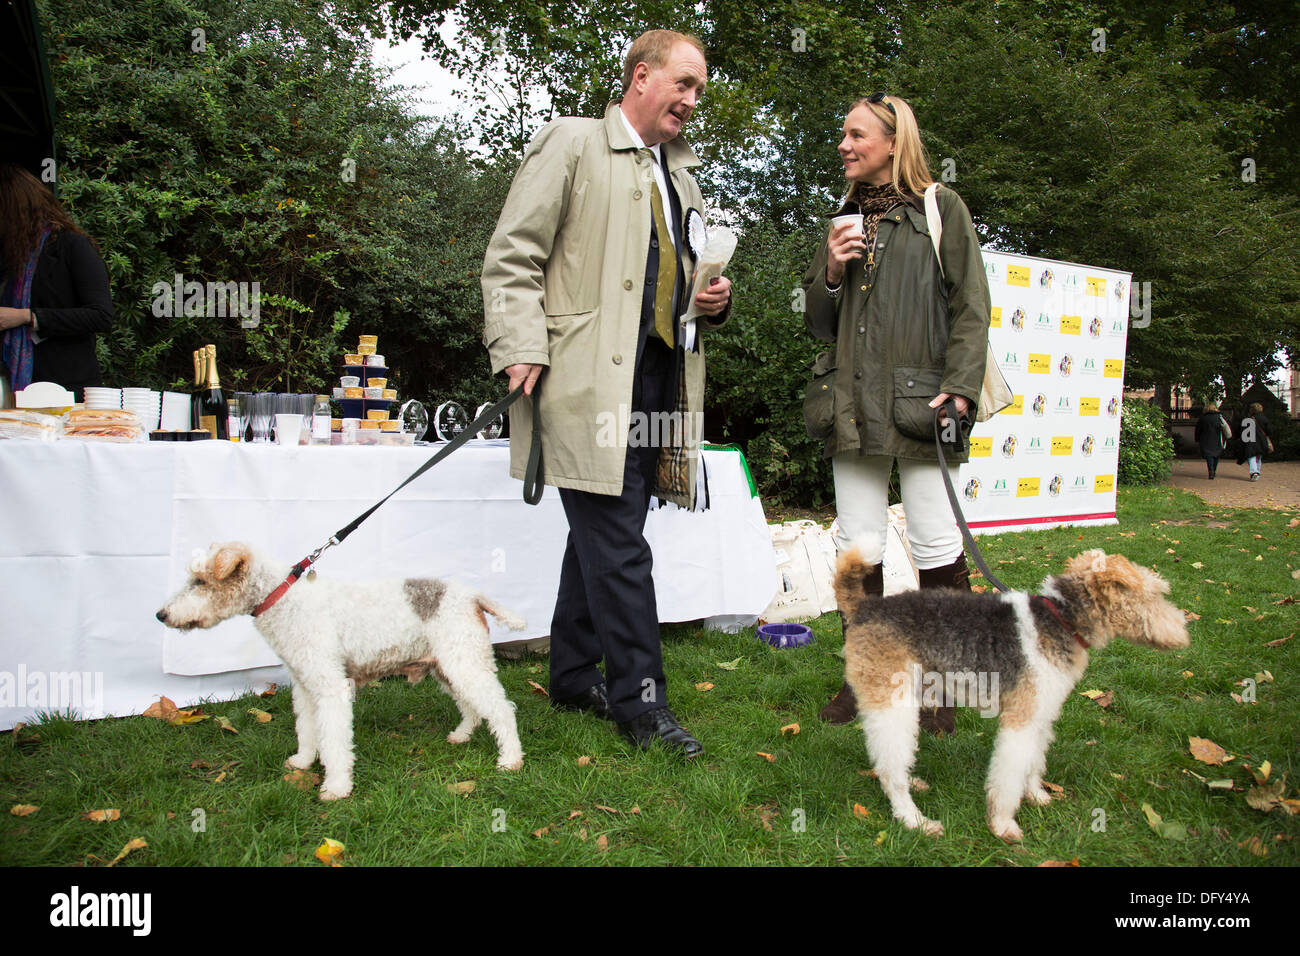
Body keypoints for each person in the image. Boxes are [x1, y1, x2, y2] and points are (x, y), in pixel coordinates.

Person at [481, 30, 731, 757]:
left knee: (606, 530)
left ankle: (569, 675)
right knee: (619, 543)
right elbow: (512, 256)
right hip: (586, 380)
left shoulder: (680, 177)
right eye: (683, 85)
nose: (691, 101)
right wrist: (520, 344)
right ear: (641, 77)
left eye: (698, 92)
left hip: (659, 380)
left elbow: (677, 278)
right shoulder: (572, 143)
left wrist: (711, 297)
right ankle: (640, 705)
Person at [802, 93, 991, 732]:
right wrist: (829, 269)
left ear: (891, 141)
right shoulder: (844, 218)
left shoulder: (941, 209)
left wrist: (962, 387)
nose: (844, 145)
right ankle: (867, 677)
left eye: (856, 135)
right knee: (857, 547)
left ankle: (944, 685)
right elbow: (817, 324)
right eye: (843, 135)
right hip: (851, 403)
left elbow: (971, 304)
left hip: (924, 402)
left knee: (937, 543)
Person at [0, 164, 114, 402]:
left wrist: (27, 317)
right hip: (12, 383)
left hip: (63, 386)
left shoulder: (72, 247)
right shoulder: (10, 256)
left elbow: (100, 315)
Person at [1193, 403, 1231, 479]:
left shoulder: (1203, 418)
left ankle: (1211, 471)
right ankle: (1214, 470)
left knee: (1209, 456)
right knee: (1216, 455)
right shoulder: (1219, 417)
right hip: (1217, 439)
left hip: (1205, 439)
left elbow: (1198, 430)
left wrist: (1197, 439)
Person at [1237, 402, 1273, 481]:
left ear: (1252, 410)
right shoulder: (1264, 419)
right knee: (1258, 457)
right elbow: (1269, 431)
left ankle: (1254, 472)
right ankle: (1257, 472)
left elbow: (1242, 432)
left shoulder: (1247, 419)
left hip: (1250, 440)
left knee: (1251, 456)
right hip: (1261, 441)